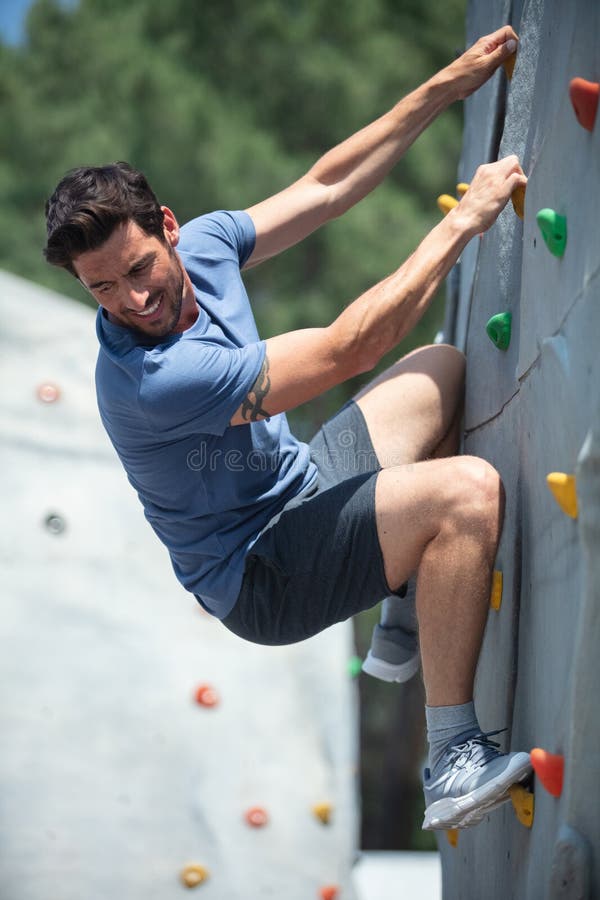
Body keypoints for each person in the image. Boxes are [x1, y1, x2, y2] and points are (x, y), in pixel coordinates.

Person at [44, 26, 532, 830]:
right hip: (261, 576)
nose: (133, 302)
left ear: (168, 227)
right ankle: (450, 759)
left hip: (302, 485)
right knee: (466, 494)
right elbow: (351, 345)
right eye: (104, 290)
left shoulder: (204, 246)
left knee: (440, 371)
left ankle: (404, 606)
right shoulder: (153, 383)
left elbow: (328, 184)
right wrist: (462, 221)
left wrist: (445, 86)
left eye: (138, 270)